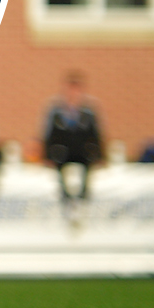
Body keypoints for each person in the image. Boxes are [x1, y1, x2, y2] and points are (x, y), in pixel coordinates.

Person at [43, 72, 104, 218]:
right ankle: (66, 201)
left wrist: (100, 156)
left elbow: (96, 135)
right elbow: (48, 135)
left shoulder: (88, 112)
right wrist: (47, 156)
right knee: (59, 170)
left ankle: (82, 201)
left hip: (82, 152)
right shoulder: (56, 111)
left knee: (87, 170)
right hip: (62, 153)